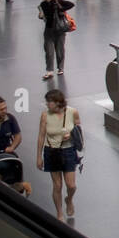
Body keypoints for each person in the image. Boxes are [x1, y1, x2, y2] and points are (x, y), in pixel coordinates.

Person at [36, 88, 80, 220]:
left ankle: (69, 199)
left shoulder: (72, 112)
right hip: (51, 151)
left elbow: (79, 129)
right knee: (57, 185)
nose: (47, 105)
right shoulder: (45, 115)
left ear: (57, 102)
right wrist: (39, 156)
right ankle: (59, 212)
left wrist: (71, 135)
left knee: (71, 185)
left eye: (49, 102)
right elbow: (41, 136)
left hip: (68, 150)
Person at [38, 0, 74, 80]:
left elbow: (71, 4)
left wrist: (60, 9)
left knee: (59, 50)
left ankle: (60, 68)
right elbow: (41, 16)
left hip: (59, 29)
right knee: (49, 51)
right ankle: (49, 70)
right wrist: (41, 15)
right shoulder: (42, 5)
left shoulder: (58, 2)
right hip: (49, 29)